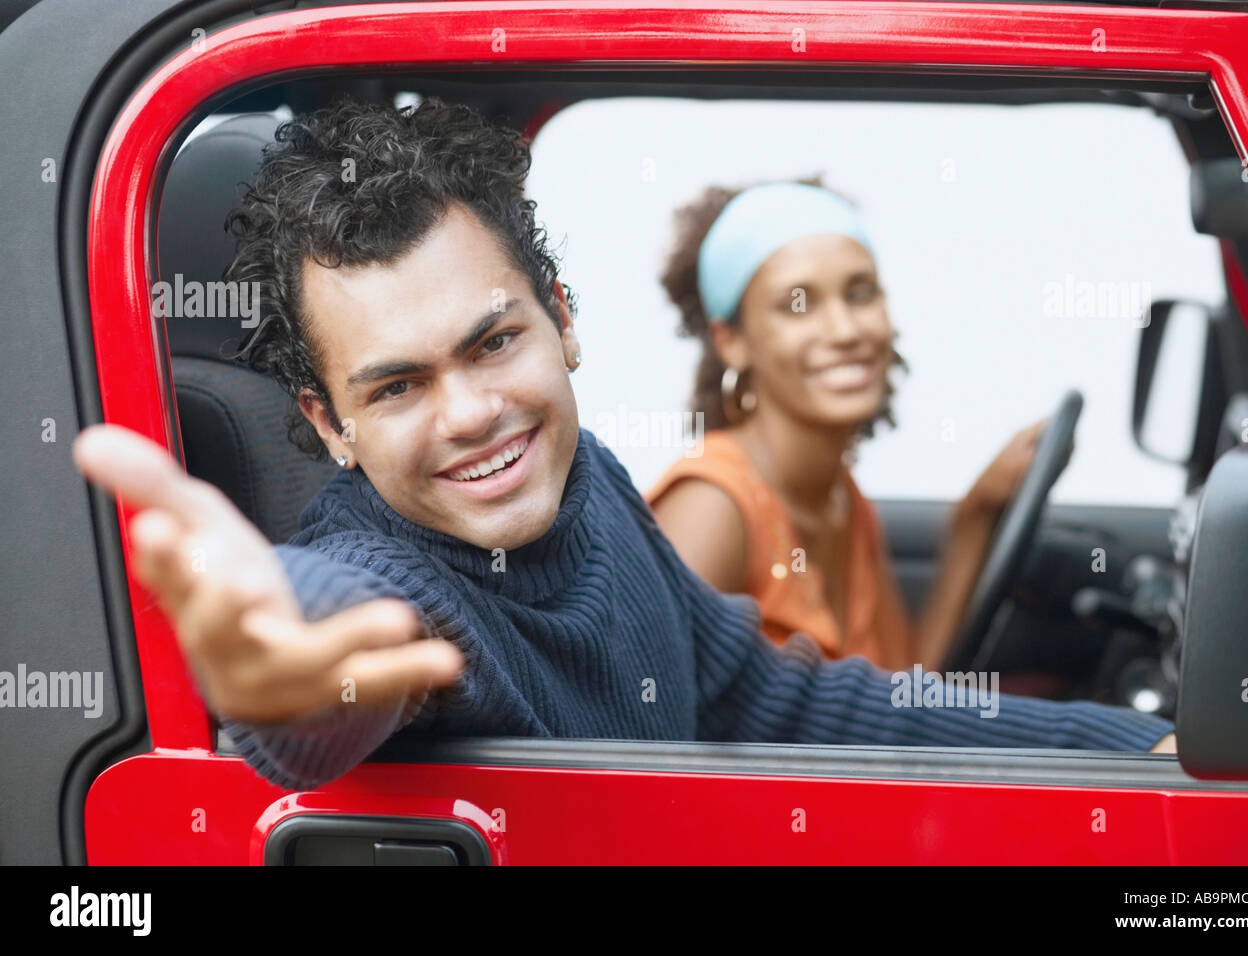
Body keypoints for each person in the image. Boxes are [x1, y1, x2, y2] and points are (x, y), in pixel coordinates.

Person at [71, 98, 1174, 793]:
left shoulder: (592, 485)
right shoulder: (386, 572)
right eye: (398, 384)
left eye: (494, 342)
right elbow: (347, 639)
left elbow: (785, 704)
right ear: (326, 423)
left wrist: (1145, 752)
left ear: (563, 318)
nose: (469, 413)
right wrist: (276, 670)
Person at [649, 177, 1044, 671]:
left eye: (860, 294)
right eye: (799, 303)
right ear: (731, 341)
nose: (845, 330)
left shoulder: (842, 499)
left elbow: (900, 697)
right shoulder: (712, 508)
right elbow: (641, 724)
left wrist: (975, 515)